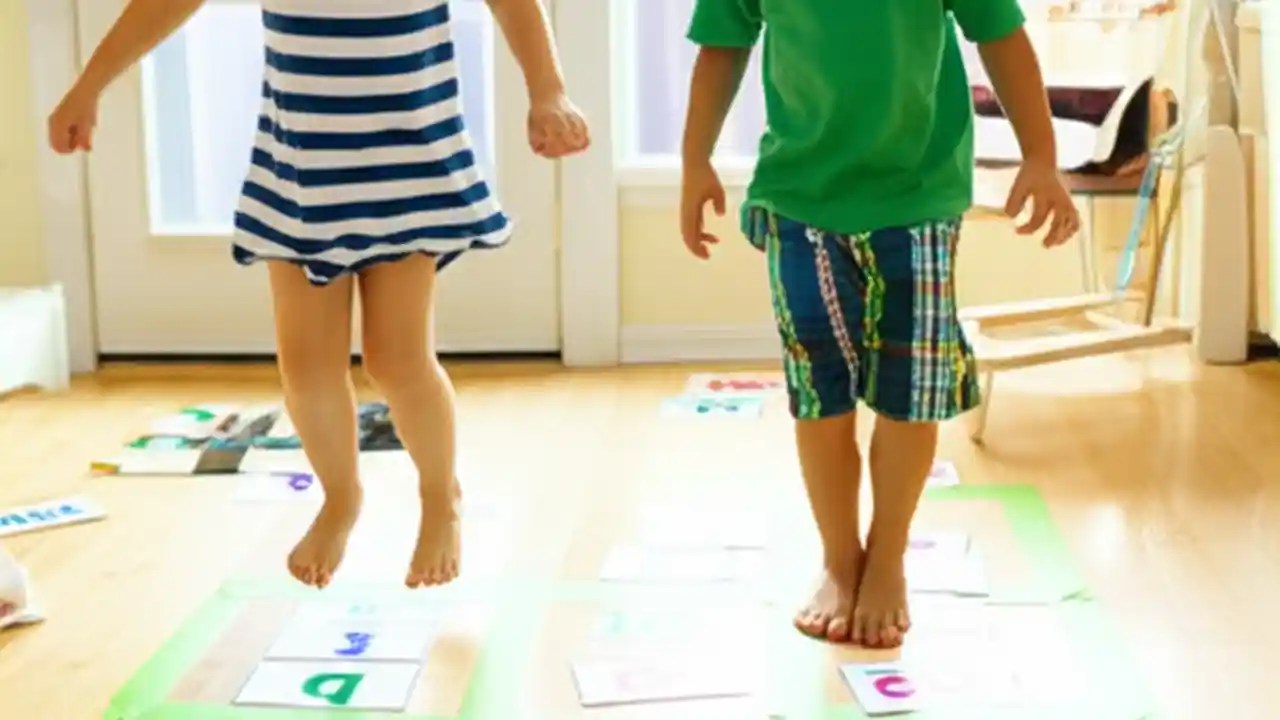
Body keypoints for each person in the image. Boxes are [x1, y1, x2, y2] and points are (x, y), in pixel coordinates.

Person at [49, 0, 589, 590]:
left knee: (397, 358)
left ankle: (441, 496)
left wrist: (548, 91)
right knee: (306, 370)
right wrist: (89, 85)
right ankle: (341, 497)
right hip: (301, 170)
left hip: (408, 160)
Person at [680, 1, 1080, 647]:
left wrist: (1041, 154)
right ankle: (840, 561)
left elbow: (1000, 33)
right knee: (820, 394)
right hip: (798, 196)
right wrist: (694, 161)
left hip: (917, 197)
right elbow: (722, 45)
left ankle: (887, 555)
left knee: (910, 392)